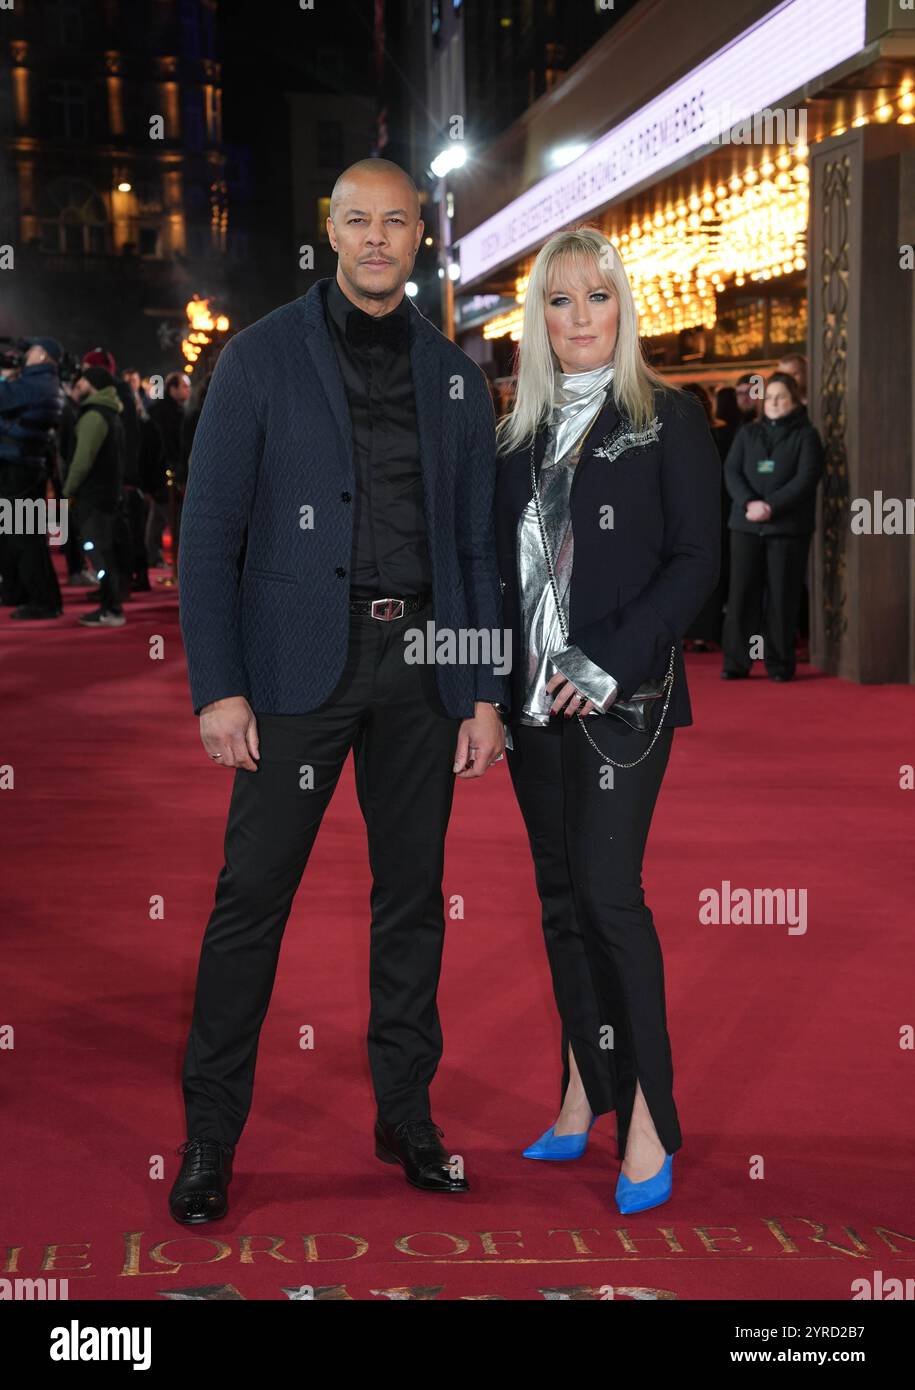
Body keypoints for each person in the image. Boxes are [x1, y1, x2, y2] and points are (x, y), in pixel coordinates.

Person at [169, 158, 507, 1224]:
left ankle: (406, 1115)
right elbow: (208, 534)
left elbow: (477, 548)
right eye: (356, 220)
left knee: (412, 904)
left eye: (394, 222)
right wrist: (218, 688)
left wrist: (485, 686)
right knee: (249, 904)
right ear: (330, 230)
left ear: (421, 238)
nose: (375, 239)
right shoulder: (259, 358)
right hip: (292, 674)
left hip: (423, 669)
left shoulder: (455, 377)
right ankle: (209, 1137)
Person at [494, 226, 720, 1214]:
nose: (580, 317)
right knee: (557, 898)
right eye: (559, 300)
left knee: (608, 895)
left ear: (624, 307)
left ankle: (648, 1116)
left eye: (597, 297)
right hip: (534, 703)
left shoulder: (668, 416)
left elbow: (696, 566)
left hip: (624, 698)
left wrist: (604, 659)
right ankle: (586, 1079)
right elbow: (497, 574)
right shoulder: (516, 434)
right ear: (536, 319)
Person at [721, 371, 823, 681]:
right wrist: (750, 503)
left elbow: (806, 479)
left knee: (782, 597)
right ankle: (736, 662)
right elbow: (732, 471)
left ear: (794, 401)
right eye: (771, 397)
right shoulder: (748, 433)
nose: (775, 403)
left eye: (782, 398)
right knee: (741, 595)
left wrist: (771, 506)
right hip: (746, 524)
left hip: (787, 528)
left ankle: (779, 664)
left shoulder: (807, 435)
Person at [0, 338, 65, 619]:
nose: (26, 355)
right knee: (15, 534)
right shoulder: (41, 382)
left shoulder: (39, 384)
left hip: (21, 470)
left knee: (26, 536)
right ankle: (20, 591)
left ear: (43, 357)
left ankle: (45, 600)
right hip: (22, 468)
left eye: (32, 351)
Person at [63, 366, 127, 628]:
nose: (77, 385)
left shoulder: (93, 416)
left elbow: (82, 461)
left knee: (96, 551)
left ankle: (111, 608)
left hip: (93, 496)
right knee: (103, 551)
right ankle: (110, 603)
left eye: (82, 382)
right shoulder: (112, 412)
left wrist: (67, 491)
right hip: (109, 494)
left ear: (93, 384)